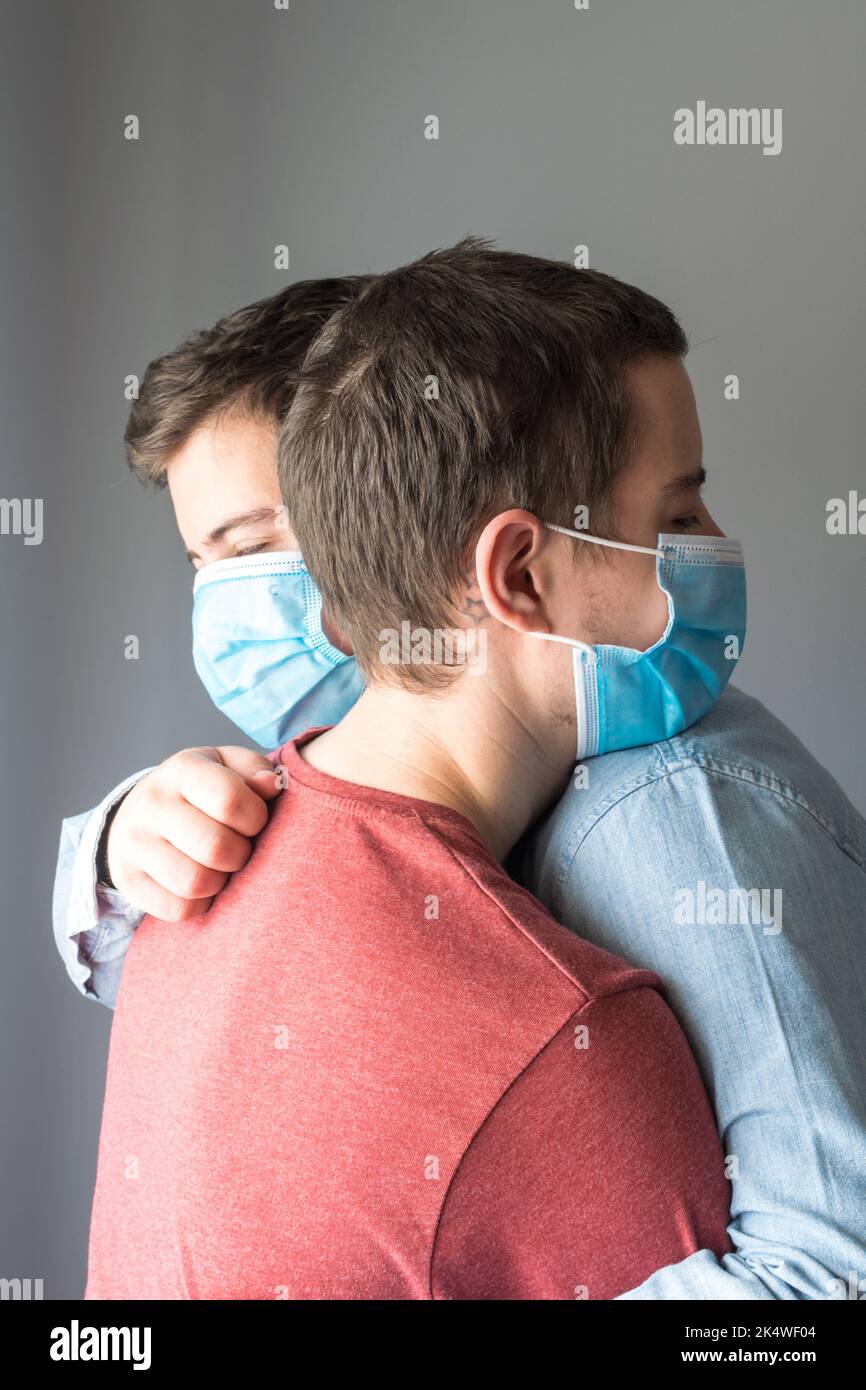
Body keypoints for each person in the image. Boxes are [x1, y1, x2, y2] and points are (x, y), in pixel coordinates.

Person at [59, 246, 866, 1300]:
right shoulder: (566, 999)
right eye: (674, 520)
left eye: (270, 544)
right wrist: (113, 845)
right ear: (512, 571)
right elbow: (820, 1282)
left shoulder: (221, 882)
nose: (712, 547)